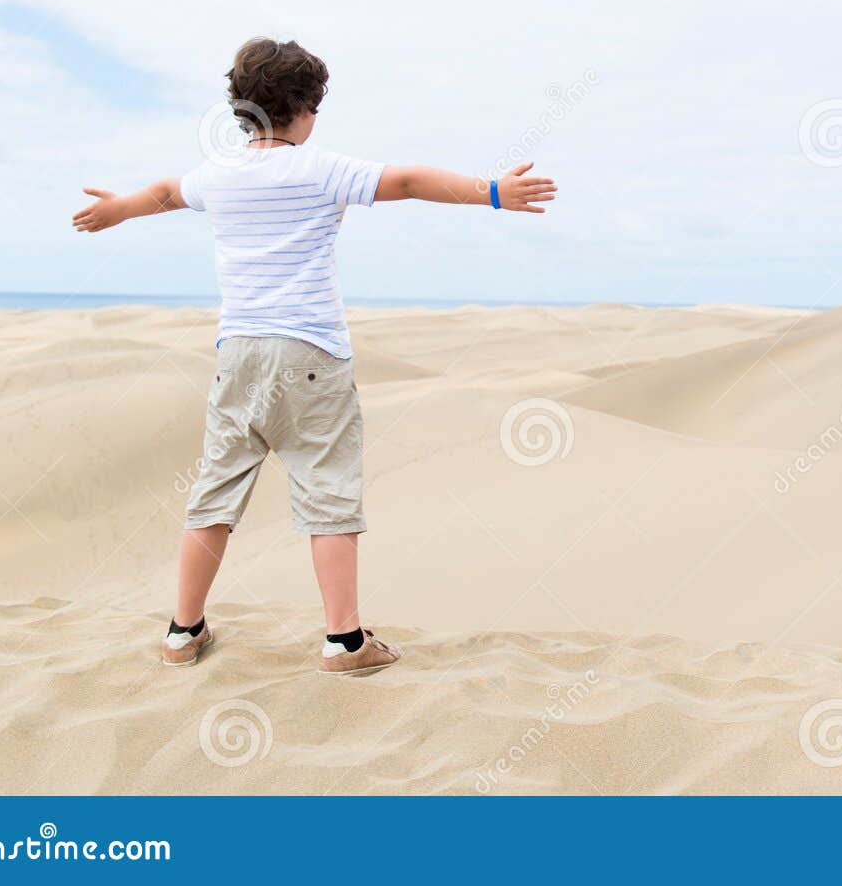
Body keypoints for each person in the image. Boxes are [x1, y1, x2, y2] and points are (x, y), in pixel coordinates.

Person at [71, 37, 557, 674]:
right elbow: (407, 181)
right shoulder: (319, 168)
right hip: (310, 355)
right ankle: (344, 641)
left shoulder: (219, 173)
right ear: (302, 110)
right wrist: (491, 191)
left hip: (238, 355)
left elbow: (165, 191)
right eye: (317, 107)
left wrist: (117, 211)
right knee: (328, 496)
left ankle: (181, 632)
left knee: (213, 497)